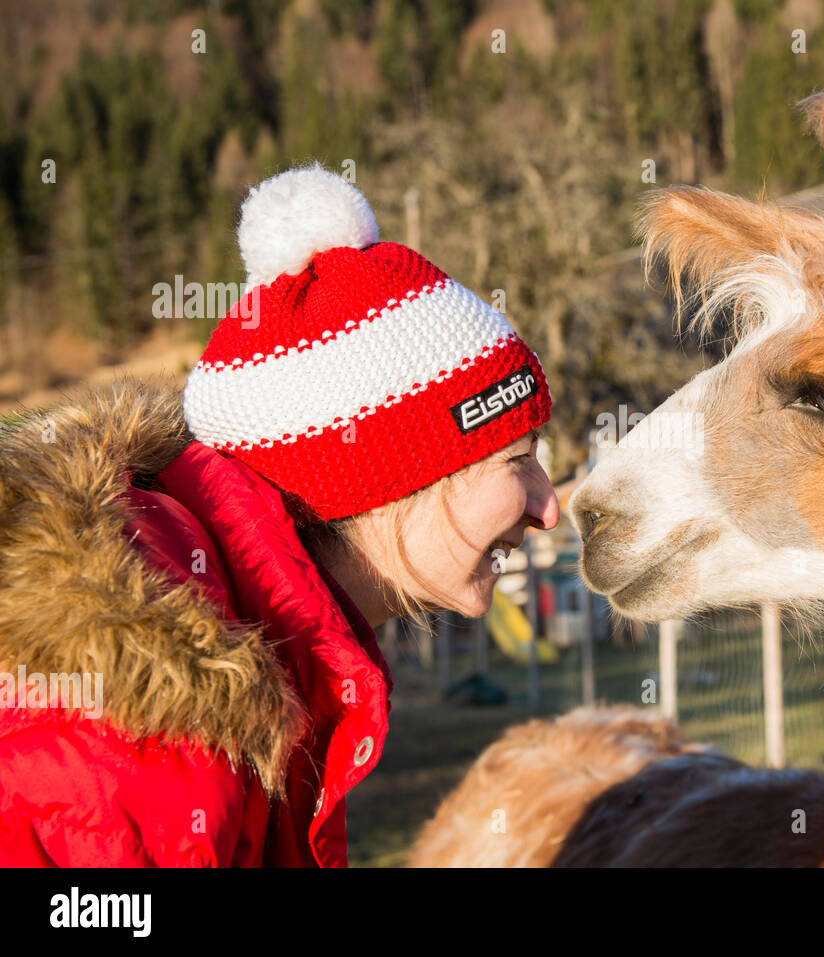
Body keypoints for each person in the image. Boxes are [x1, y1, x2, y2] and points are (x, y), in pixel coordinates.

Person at [0, 165, 560, 866]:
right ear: (383, 475)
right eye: (517, 461)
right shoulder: (147, 737)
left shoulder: (260, 677)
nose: (549, 505)